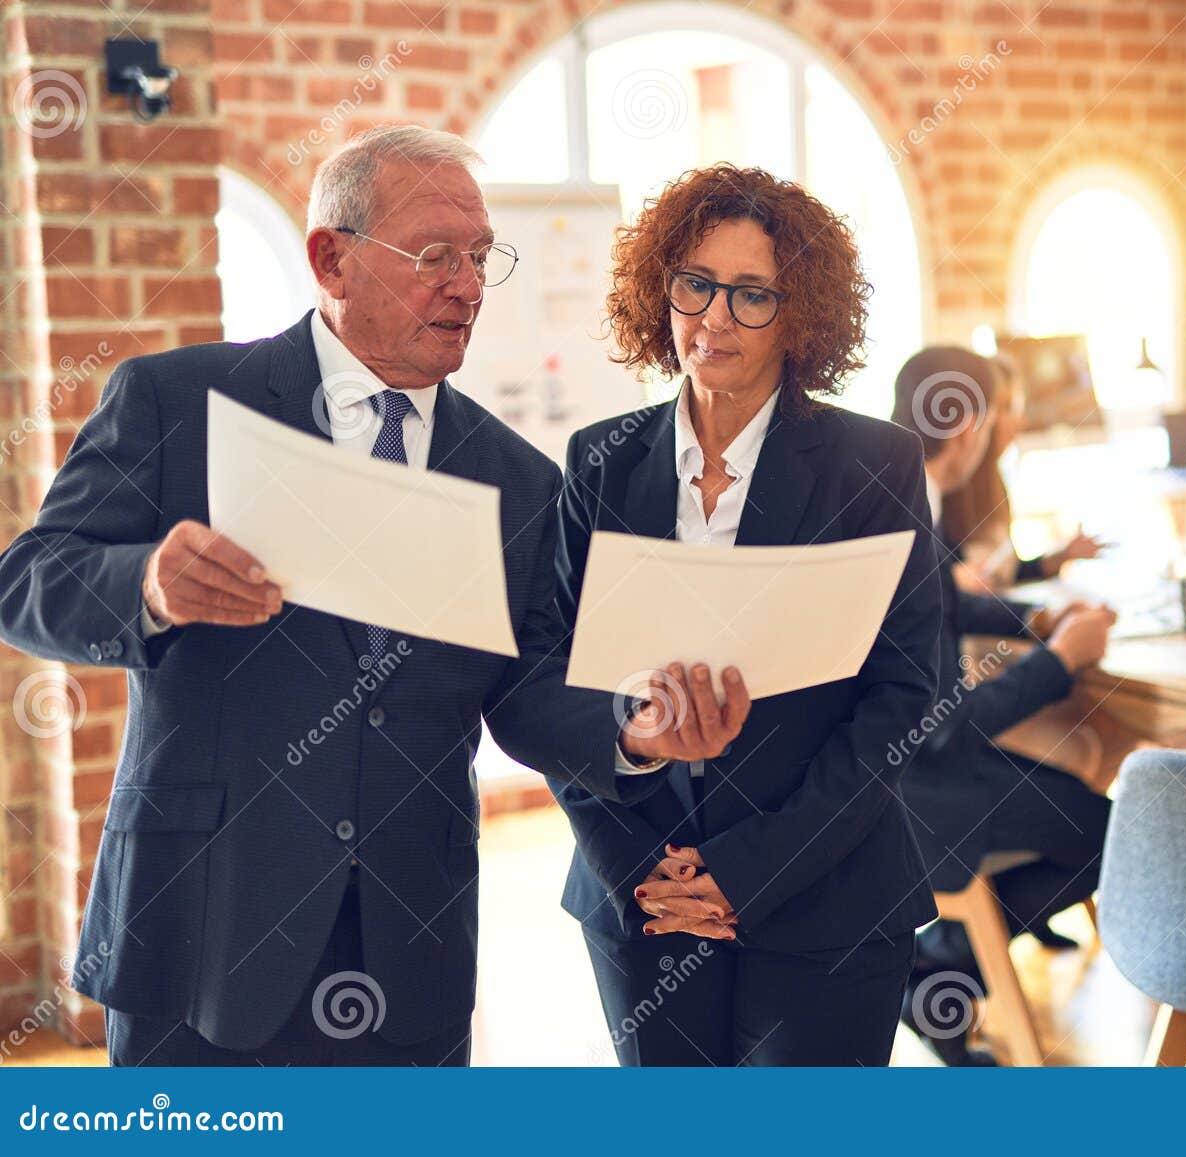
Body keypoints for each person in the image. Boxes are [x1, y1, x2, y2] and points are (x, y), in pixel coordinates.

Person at [0, 126, 739, 1066]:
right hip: (202, 931)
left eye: (481, 258)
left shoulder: (515, 480)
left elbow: (524, 688)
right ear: (330, 259)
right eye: (436, 256)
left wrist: (633, 728)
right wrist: (145, 582)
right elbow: (28, 582)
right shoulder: (176, 401)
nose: (468, 286)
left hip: (409, 947)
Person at [551, 164, 942, 1066]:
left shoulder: (873, 463)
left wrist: (745, 871)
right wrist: (639, 868)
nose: (715, 317)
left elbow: (899, 696)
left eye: (752, 294)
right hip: (640, 895)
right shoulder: (598, 462)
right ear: (664, 291)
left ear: (799, 313)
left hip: (824, 899)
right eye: (696, 285)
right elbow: (555, 689)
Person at [890, 346, 1117, 1066]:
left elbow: (948, 603)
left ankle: (939, 970)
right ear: (970, 429)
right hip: (928, 790)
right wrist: (1061, 662)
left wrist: (1037, 623)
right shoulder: (908, 521)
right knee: (1118, 834)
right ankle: (943, 968)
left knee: (1083, 803)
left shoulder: (893, 503)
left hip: (913, 775)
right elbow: (948, 721)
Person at [942, 352, 1103, 590]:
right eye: (1007, 408)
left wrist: (1062, 556)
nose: (1020, 421)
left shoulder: (994, 482)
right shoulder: (947, 493)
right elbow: (963, 592)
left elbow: (1003, 573)